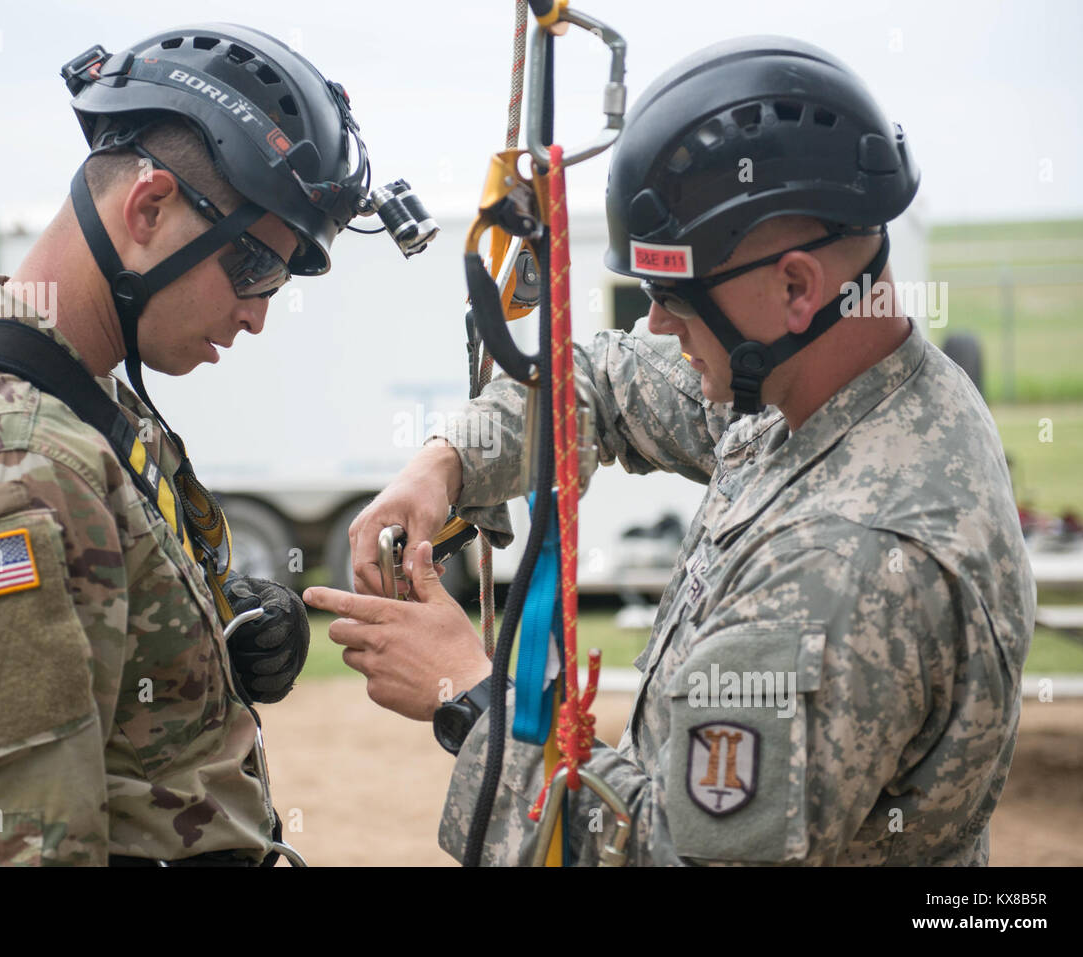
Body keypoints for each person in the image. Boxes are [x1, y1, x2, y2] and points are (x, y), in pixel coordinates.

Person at [305, 36, 1036, 865]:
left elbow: (672, 857)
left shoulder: (847, 564)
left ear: (796, 287)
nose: (654, 323)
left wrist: (473, 698)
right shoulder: (816, 388)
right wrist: (445, 462)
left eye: (671, 295)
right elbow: (602, 382)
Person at [0, 23, 380, 866]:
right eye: (252, 270)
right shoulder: (5, 471)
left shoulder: (82, 403)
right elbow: (2, 848)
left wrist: (214, 625)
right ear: (148, 208)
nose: (257, 313)